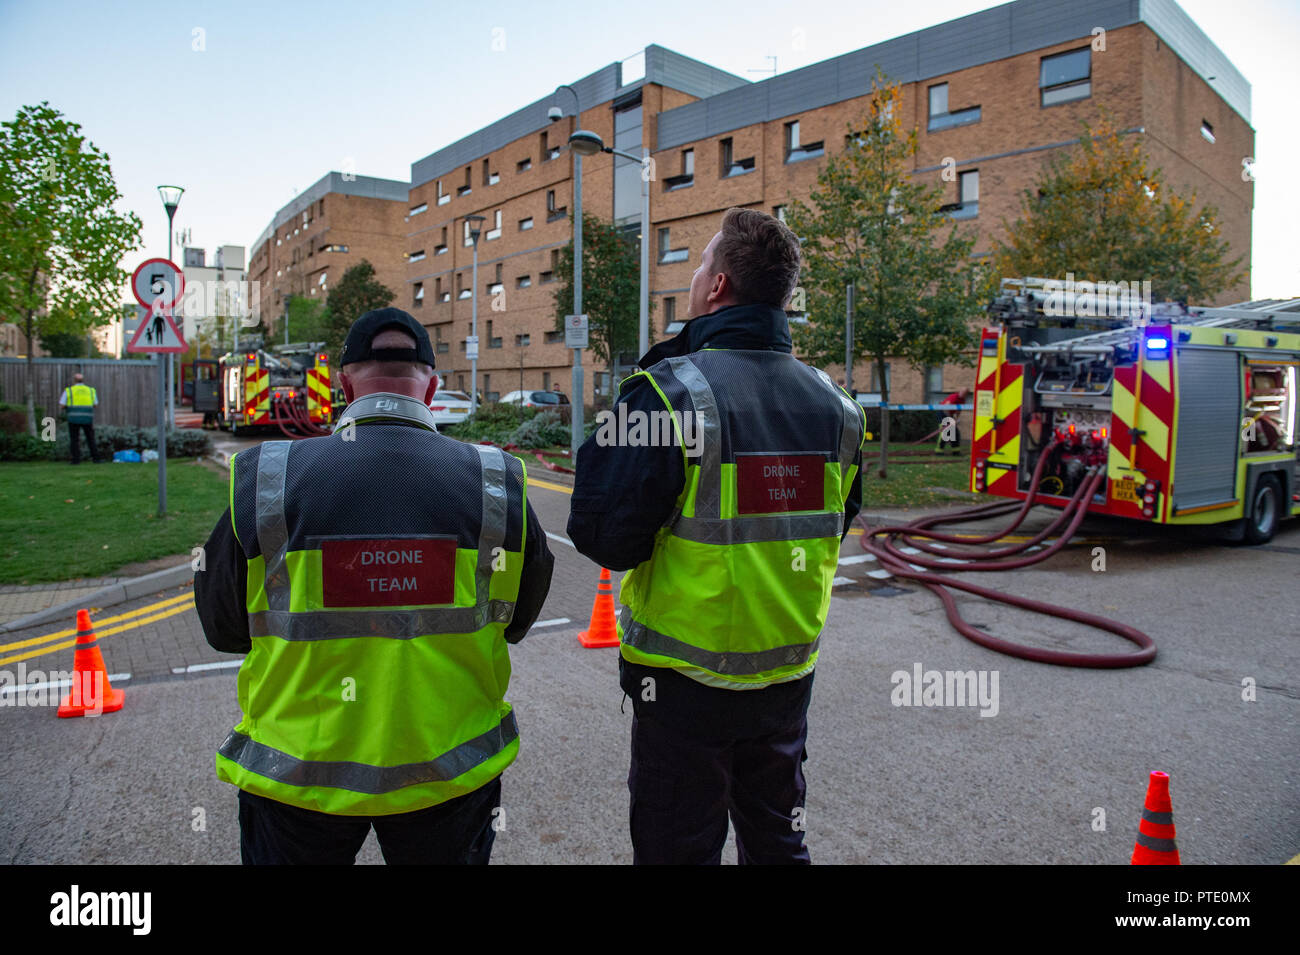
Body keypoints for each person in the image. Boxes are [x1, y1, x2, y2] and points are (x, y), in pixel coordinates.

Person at [193, 307, 554, 865]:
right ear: (431, 387)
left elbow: (222, 628)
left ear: (342, 385)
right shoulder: (495, 481)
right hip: (448, 773)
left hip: (296, 774)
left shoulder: (267, 476)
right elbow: (519, 618)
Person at [568, 208, 865, 864]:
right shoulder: (837, 408)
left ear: (719, 286)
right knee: (779, 841)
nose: (695, 274)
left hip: (682, 688)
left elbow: (601, 533)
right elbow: (835, 522)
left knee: (678, 848)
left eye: (701, 263)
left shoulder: (670, 392)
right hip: (787, 679)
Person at [59, 373, 102, 464]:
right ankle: (96, 458)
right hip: (87, 419)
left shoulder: (69, 390)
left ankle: (76, 460)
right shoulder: (91, 390)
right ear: (83, 380)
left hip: (73, 419)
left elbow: (62, 405)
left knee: (74, 439)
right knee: (90, 438)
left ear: (74, 380)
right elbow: (95, 404)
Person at [935, 387, 971, 455]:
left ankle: (955, 451)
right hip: (942, 412)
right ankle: (939, 451)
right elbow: (946, 408)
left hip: (949, 414)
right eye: (962, 392)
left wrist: (956, 419)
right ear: (959, 391)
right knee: (945, 432)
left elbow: (958, 410)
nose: (963, 394)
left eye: (965, 393)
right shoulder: (954, 397)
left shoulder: (962, 400)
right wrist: (950, 419)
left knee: (955, 432)